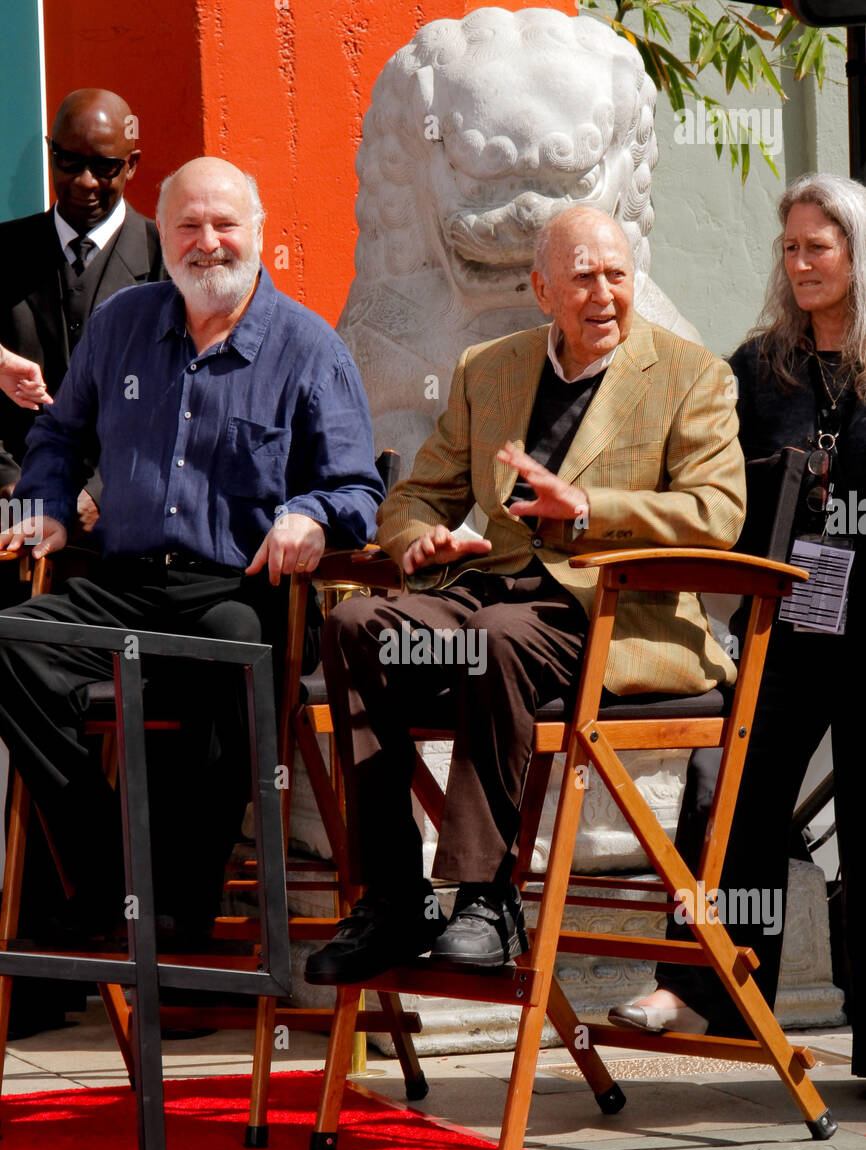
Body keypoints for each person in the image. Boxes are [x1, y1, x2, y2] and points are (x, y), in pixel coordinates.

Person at [304, 205, 746, 987]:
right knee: (353, 622)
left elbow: (718, 515)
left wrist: (587, 510)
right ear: (543, 290)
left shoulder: (690, 374)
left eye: (617, 274)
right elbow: (413, 496)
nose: (604, 294)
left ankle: (485, 896)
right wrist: (419, 541)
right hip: (483, 588)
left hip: (610, 610)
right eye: (582, 277)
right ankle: (396, 895)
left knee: (499, 637)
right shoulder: (491, 367)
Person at [0, 156, 383, 991]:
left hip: (242, 592)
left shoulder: (308, 347)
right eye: (188, 227)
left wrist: (311, 513)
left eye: (224, 225)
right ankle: (111, 878)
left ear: (258, 231)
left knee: (234, 652)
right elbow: (59, 436)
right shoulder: (121, 324)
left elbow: (359, 487)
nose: (208, 243)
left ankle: (185, 904)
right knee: (10, 641)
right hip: (129, 583)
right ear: (163, 237)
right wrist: (47, 505)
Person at [611, 173, 866, 1074]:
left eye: (818, 248)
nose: (799, 264)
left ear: (856, 256)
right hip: (784, 625)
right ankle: (696, 986)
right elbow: (705, 475)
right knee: (728, 803)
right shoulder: (760, 367)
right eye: (789, 248)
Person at [0, 87, 164, 526]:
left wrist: (101, 491)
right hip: (9, 509)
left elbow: (183, 399)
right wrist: (10, 479)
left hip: (129, 518)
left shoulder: (168, 260)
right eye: (69, 161)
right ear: (51, 153)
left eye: (105, 167)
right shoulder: (4, 251)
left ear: (132, 165)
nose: (85, 181)